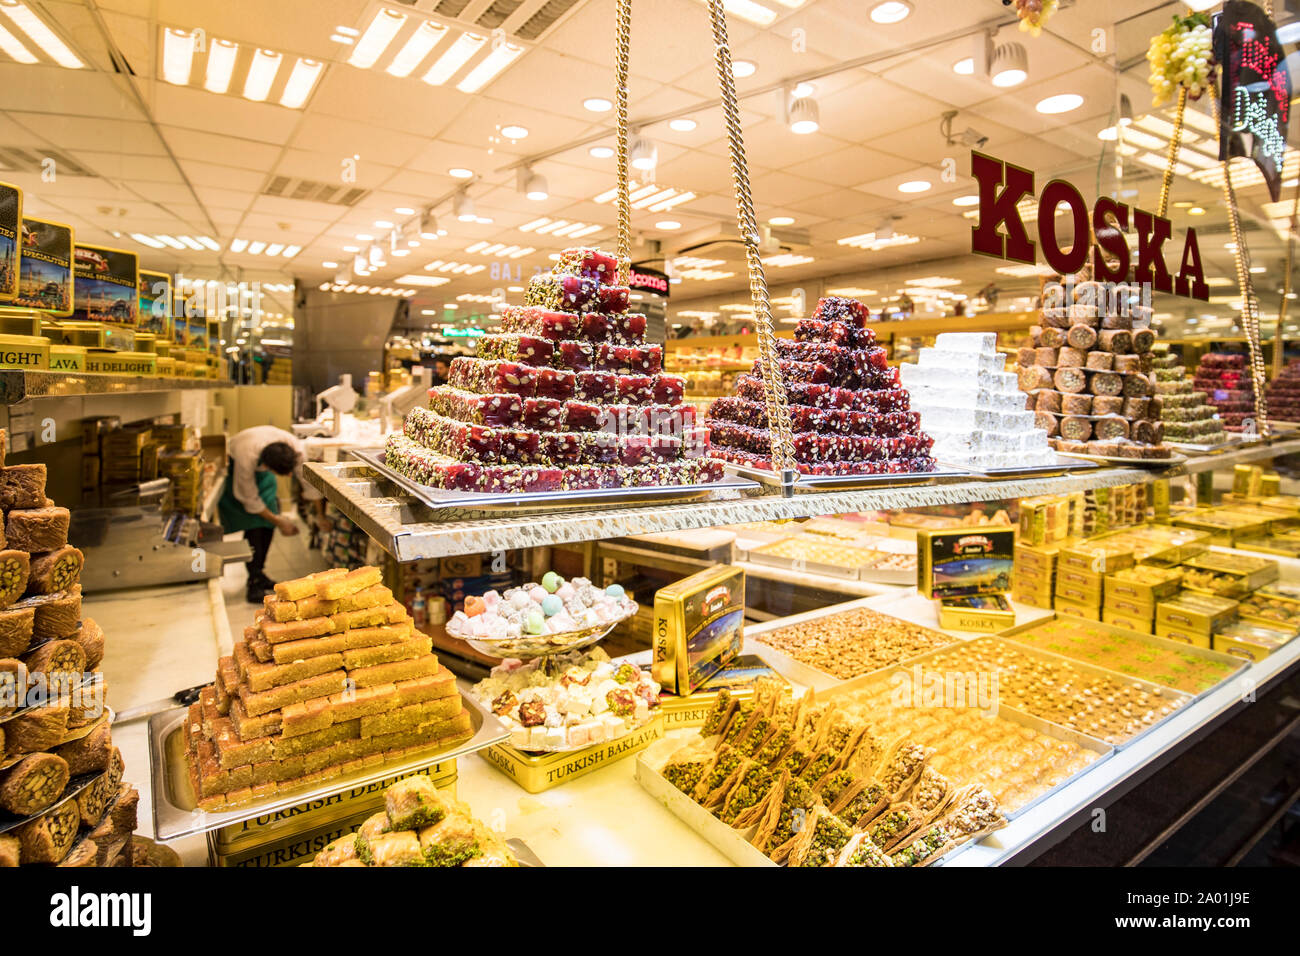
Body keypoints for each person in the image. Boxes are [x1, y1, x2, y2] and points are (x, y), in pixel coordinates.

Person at [217, 425, 323, 602]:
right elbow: (249, 500)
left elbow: (309, 484)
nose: (290, 476)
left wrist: (321, 516)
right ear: (266, 467)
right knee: (255, 523)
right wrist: (281, 522)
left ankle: (259, 572)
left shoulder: (296, 450)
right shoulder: (246, 457)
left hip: (262, 464)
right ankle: (254, 581)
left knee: (267, 523)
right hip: (237, 465)